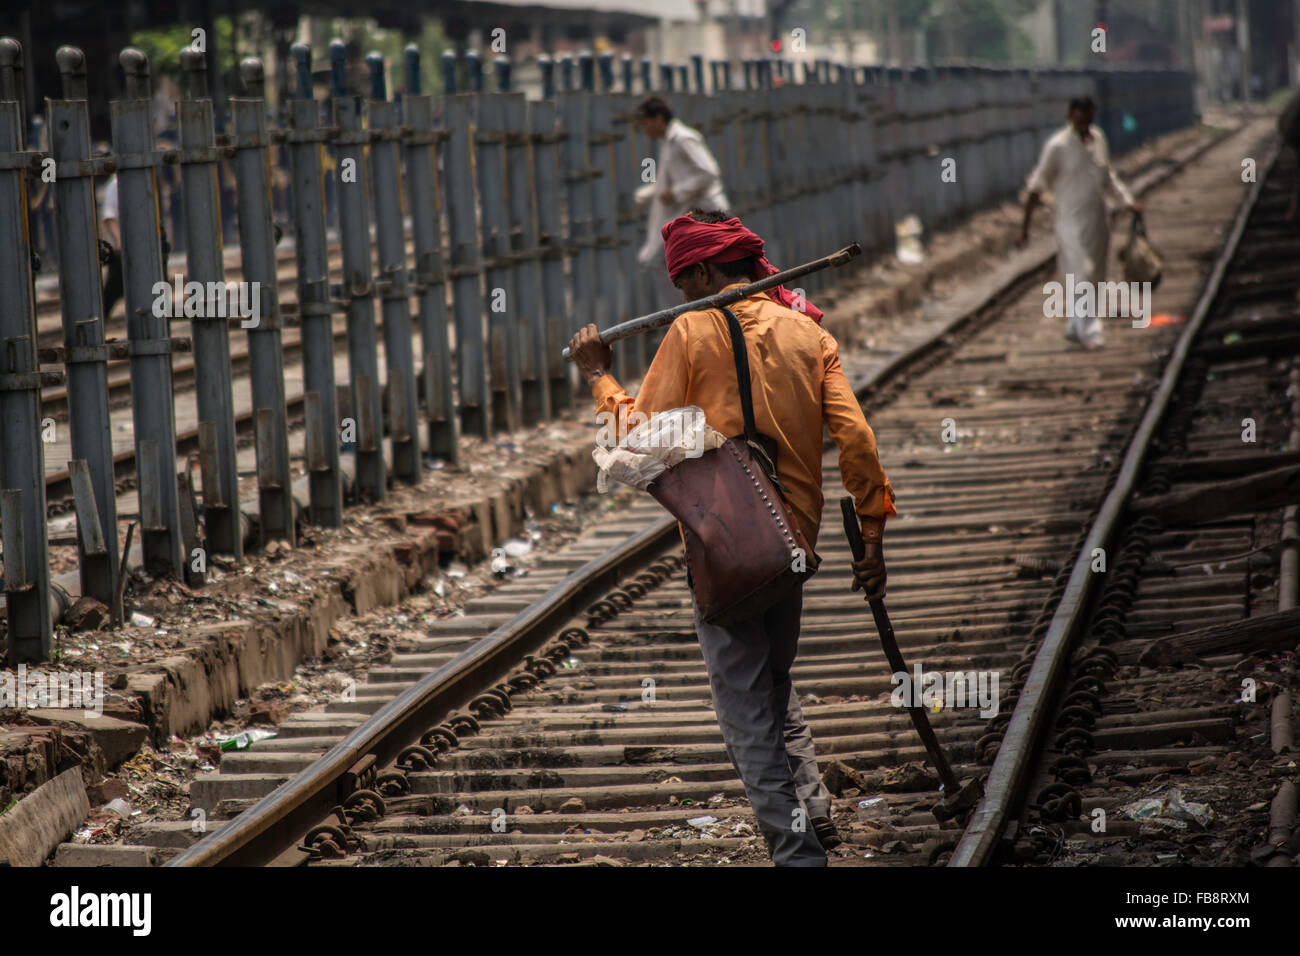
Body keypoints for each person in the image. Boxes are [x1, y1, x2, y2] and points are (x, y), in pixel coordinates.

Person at [567, 210, 895, 866]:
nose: (682, 295)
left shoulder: (691, 331)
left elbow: (636, 441)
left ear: (706, 271)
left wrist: (599, 376)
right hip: (793, 541)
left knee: (745, 705)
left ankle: (797, 853)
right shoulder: (807, 331)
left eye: (684, 282)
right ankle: (814, 808)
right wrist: (872, 535)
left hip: (727, 546)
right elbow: (856, 438)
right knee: (772, 677)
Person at [1018, 95, 1142, 350]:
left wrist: (1127, 201)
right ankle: (1090, 332)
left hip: (1097, 220)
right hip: (1069, 223)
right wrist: (1025, 229)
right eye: (1080, 120)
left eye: (1088, 120)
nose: (1085, 126)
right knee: (1080, 274)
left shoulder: (1098, 140)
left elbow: (1107, 178)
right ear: (1070, 117)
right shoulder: (1058, 146)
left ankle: (1076, 327)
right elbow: (1037, 186)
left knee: (1096, 275)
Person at [634, 97, 729, 308]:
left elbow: (709, 172)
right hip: (692, 213)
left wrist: (676, 193)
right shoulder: (668, 142)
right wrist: (650, 193)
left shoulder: (683, 138)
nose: (644, 129)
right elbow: (673, 178)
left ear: (659, 118)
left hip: (707, 215)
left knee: (663, 260)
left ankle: (681, 314)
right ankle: (688, 312)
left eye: (645, 123)